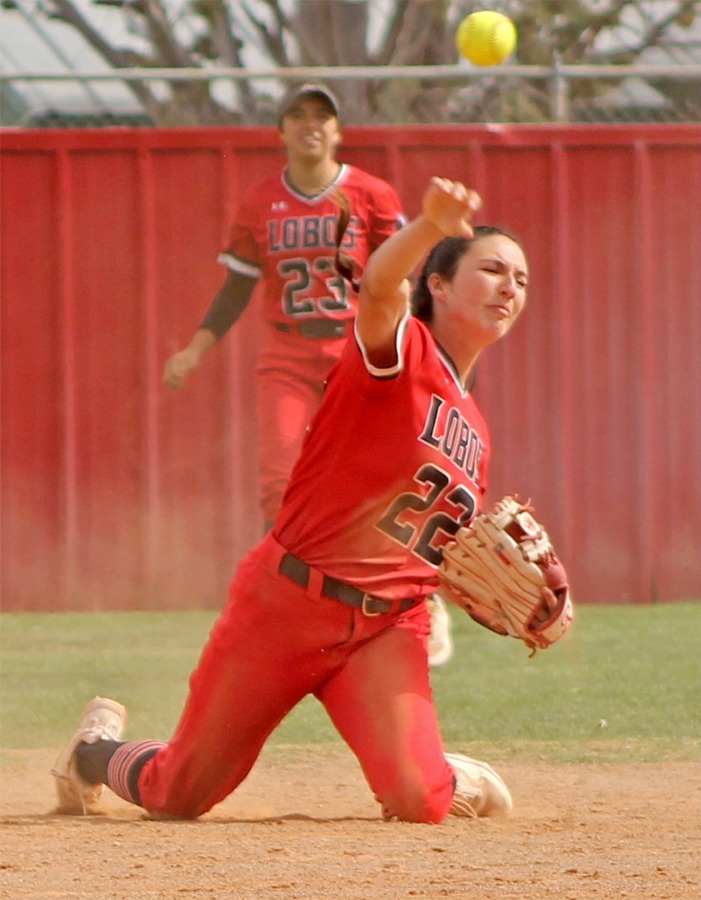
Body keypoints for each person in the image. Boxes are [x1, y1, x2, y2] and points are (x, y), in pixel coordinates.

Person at [52, 177, 530, 823]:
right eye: (492, 269)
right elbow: (384, 287)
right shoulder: (403, 351)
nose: (510, 286)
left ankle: (436, 772)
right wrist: (430, 227)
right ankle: (92, 751)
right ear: (439, 284)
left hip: (385, 631)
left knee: (419, 803)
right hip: (287, 606)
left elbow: (423, 540)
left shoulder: (475, 428)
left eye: (521, 280)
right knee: (180, 794)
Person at [159, 84, 453, 667]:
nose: (310, 125)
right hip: (289, 355)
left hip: (357, 354)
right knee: (279, 479)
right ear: (282, 131)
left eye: (322, 116)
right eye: (299, 116)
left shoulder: (370, 193)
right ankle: (280, 601)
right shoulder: (260, 200)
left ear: (338, 131)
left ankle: (418, 595)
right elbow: (238, 284)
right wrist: (195, 349)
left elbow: (399, 279)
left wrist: (421, 346)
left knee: (385, 472)